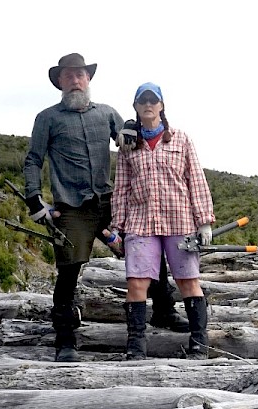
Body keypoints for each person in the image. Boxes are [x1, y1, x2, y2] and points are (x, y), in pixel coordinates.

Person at [23, 54, 187, 362]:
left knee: (146, 243)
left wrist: (128, 126)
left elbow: (131, 143)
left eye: (80, 75)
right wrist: (35, 200)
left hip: (110, 200)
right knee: (69, 271)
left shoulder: (107, 113)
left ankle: (164, 310)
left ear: (88, 79)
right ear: (60, 81)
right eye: (69, 75)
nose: (75, 80)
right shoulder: (47, 118)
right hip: (71, 206)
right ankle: (66, 339)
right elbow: (33, 160)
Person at [110, 82, 215, 360]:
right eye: (142, 101)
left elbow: (196, 179)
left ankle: (199, 344)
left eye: (152, 100)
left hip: (179, 221)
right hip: (140, 223)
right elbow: (121, 189)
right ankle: (135, 347)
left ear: (161, 105)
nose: (148, 105)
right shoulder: (128, 146)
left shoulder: (180, 139)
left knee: (188, 281)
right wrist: (117, 227)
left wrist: (204, 220)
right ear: (135, 107)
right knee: (136, 284)